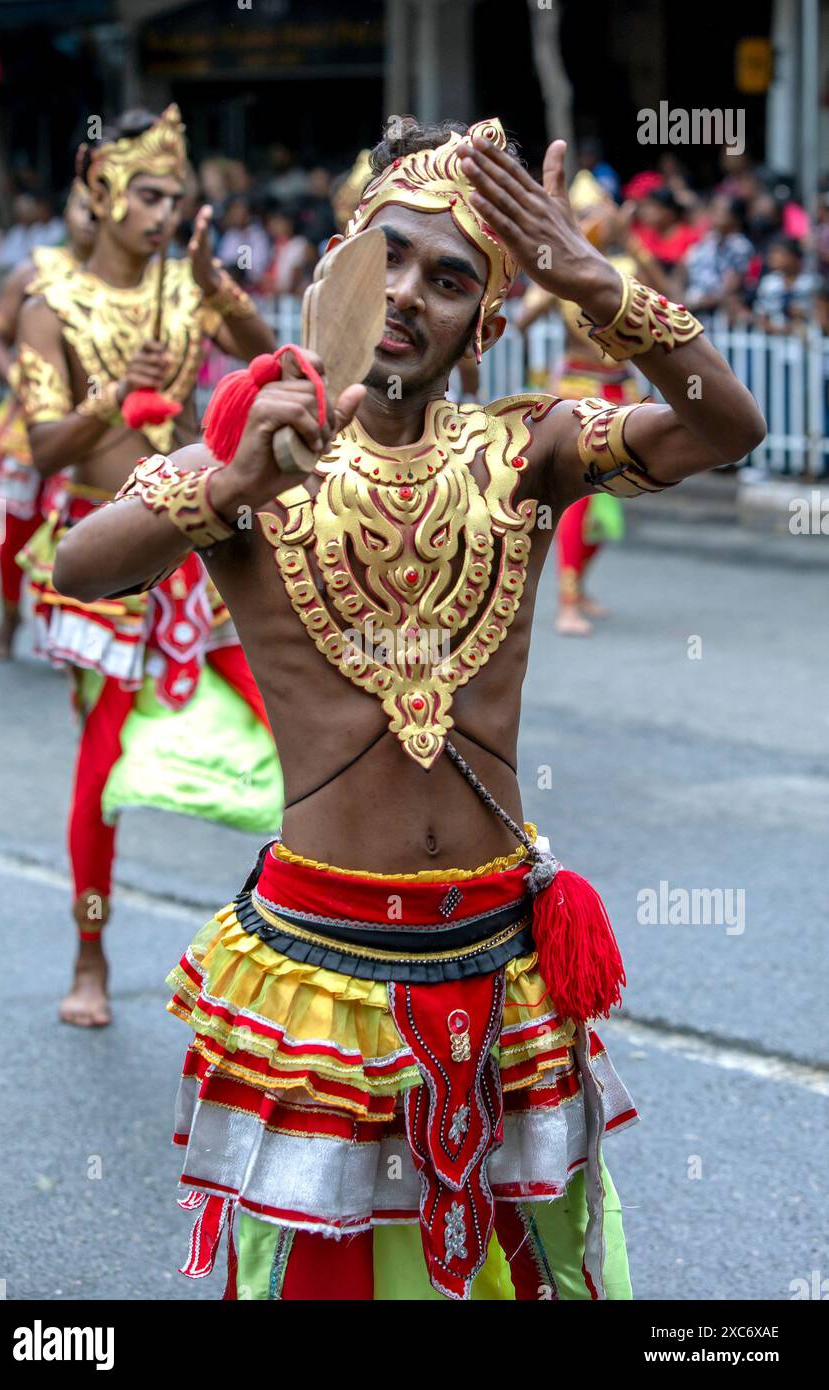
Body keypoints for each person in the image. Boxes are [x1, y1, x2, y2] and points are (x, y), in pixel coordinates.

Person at [53, 116, 765, 1300]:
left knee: (515, 1270)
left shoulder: (528, 444)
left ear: (486, 320)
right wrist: (229, 488)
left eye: (447, 279)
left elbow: (723, 429)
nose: (404, 295)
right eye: (385, 258)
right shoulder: (260, 445)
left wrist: (591, 281)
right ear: (339, 268)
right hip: (324, 964)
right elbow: (80, 567)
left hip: (497, 950)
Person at [15, 105, 281, 1029]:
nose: (165, 213)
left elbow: (291, 369)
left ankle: (312, 942)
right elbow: (46, 448)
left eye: (177, 196)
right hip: (102, 549)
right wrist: (108, 400)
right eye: (148, 195)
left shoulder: (191, 289)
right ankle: (90, 957)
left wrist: (221, 288)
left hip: (195, 545)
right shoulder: (50, 304)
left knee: (295, 715)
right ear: (101, 190)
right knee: (101, 767)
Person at [516, 170, 670, 635]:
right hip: (579, 393)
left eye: (597, 214)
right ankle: (565, 603)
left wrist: (633, 245)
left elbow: (670, 301)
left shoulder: (621, 267)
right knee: (578, 502)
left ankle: (578, 587)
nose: (594, 222)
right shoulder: (564, 270)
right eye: (583, 216)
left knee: (613, 496)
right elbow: (522, 320)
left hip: (618, 391)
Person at [0, 182, 97, 660]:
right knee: (16, 531)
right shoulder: (31, 272)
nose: (91, 219)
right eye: (82, 208)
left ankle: (69, 632)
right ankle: (8, 623)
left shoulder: (128, 283)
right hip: (29, 429)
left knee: (76, 532)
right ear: (66, 213)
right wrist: (21, 384)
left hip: (92, 429)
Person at [684, 193, 754, 315]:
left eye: (719, 210)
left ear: (735, 217)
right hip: (692, 306)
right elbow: (683, 268)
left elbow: (728, 290)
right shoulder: (708, 239)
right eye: (713, 209)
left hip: (715, 314)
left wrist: (692, 304)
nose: (713, 214)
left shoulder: (739, 246)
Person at [753, 237, 815, 335]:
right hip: (774, 341)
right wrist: (773, 328)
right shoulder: (769, 283)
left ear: (794, 257)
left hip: (807, 339)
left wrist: (802, 315)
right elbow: (760, 313)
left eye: (778, 253)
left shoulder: (810, 283)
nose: (772, 257)